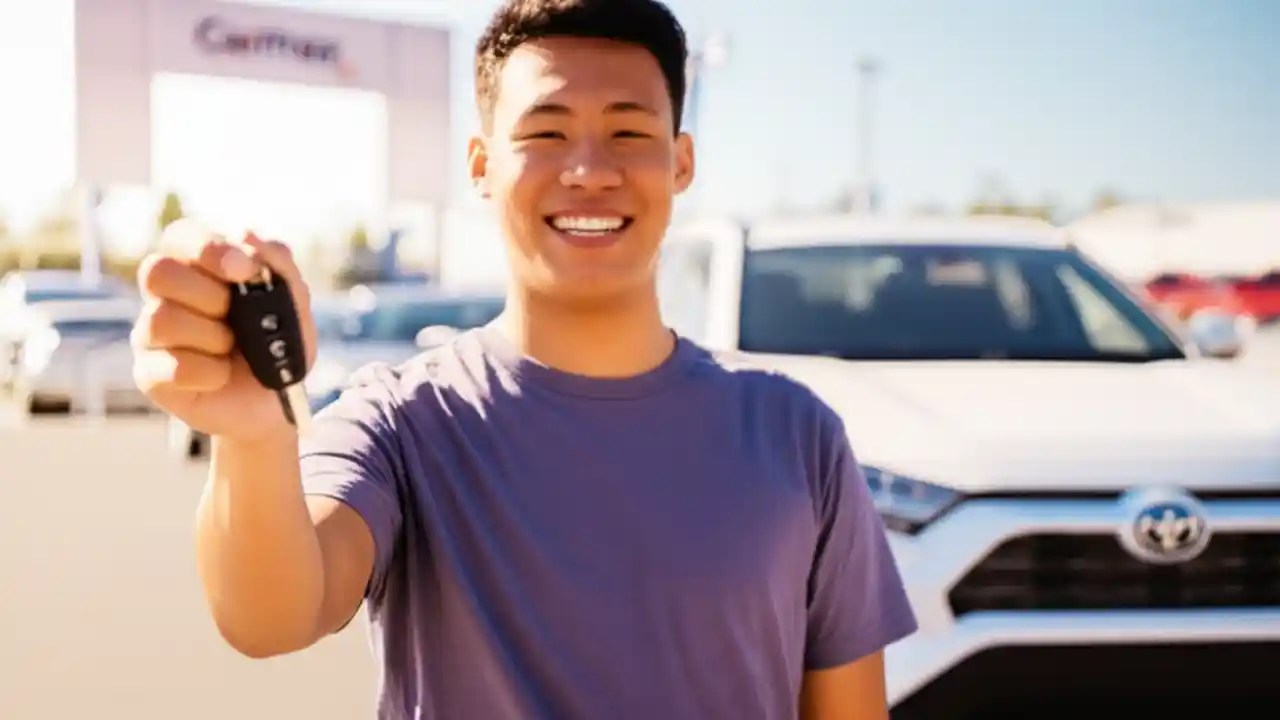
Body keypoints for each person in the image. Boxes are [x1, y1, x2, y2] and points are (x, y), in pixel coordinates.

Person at [130, 0, 917, 717]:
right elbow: (270, 614)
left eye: (629, 132)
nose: (587, 169)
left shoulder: (796, 432)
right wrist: (252, 436)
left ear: (681, 163)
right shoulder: (402, 422)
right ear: (481, 166)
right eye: (544, 132)